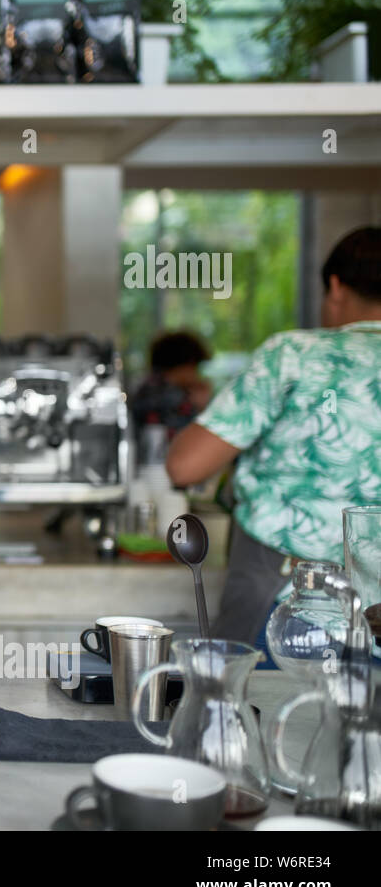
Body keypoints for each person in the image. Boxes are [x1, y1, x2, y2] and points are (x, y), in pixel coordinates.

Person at [167, 226, 381, 645]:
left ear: (335, 287)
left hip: (289, 603)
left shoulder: (295, 356)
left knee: (251, 706)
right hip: (374, 615)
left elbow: (184, 466)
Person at [131, 330, 212, 445]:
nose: (197, 375)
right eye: (195, 367)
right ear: (185, 364)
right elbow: (199, 444)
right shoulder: (177, 399)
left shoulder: (144, 389)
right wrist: (203, 408)